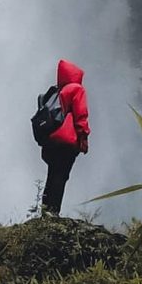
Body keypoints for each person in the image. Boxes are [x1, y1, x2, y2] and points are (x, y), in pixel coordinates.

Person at [41, 59, 90, 215]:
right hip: (66, 142)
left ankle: (45, 210)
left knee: (52, 175)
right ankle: (54, 212)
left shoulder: (54, 91)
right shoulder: (76, 89)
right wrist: (83, 137)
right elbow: (81, 115)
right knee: (61, 176)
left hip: (50, 142)